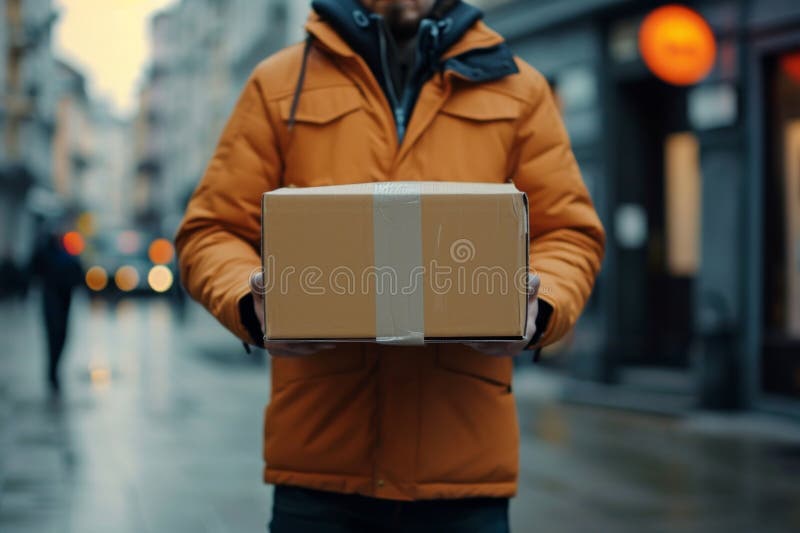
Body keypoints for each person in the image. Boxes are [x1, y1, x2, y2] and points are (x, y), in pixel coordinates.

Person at [175, 0, 605, 530]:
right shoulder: (279, 84)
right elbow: (211, 230)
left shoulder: (520, 89)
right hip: (321, 471)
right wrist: (251, 301)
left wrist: (539, 307)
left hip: (462, 475)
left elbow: (569, 232)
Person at [30, 227, 84, 395]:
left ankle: (54, 370)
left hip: (64, 301)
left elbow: (79, 276)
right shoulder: (46, 254)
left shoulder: (69, 257)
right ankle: (52, 372)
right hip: (51, 300)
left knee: (61, 337)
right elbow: (34, 269)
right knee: (53, 336)